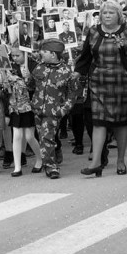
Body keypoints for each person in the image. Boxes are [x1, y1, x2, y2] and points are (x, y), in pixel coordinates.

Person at [75, 1, 127, 177]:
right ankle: (96, 162)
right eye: (104, 13)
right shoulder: (93, 32)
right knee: (98, 122)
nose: (107, 16)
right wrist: (77, 73)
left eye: (111, 13)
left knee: (121, 123)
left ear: (119, 15)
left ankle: (121, 161)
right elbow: (85, 57)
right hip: (98, 82)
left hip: (124, 81)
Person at [30, 39, 75, 179]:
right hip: (38, 110)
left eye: (44, 51)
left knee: (46, 138)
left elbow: (73, 93)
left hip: (54, 111)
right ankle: (53, 156)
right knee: (44, 138)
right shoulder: (38, 68)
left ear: (53, 54)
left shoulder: (66, 71)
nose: (41, 53)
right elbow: (31, 86)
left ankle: (51, 167)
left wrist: (63, 109)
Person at [7, 48, 43, 176]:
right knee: (16, 134)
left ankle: (40, 158)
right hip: (15, 104)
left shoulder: (33, 65)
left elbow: (37, 85)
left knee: (29, 136)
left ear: (25, 54)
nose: (15, 58)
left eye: (18, 55)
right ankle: (17, 166)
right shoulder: (10, 66)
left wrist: (29, 78)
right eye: (13, 55)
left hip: (29, 105)